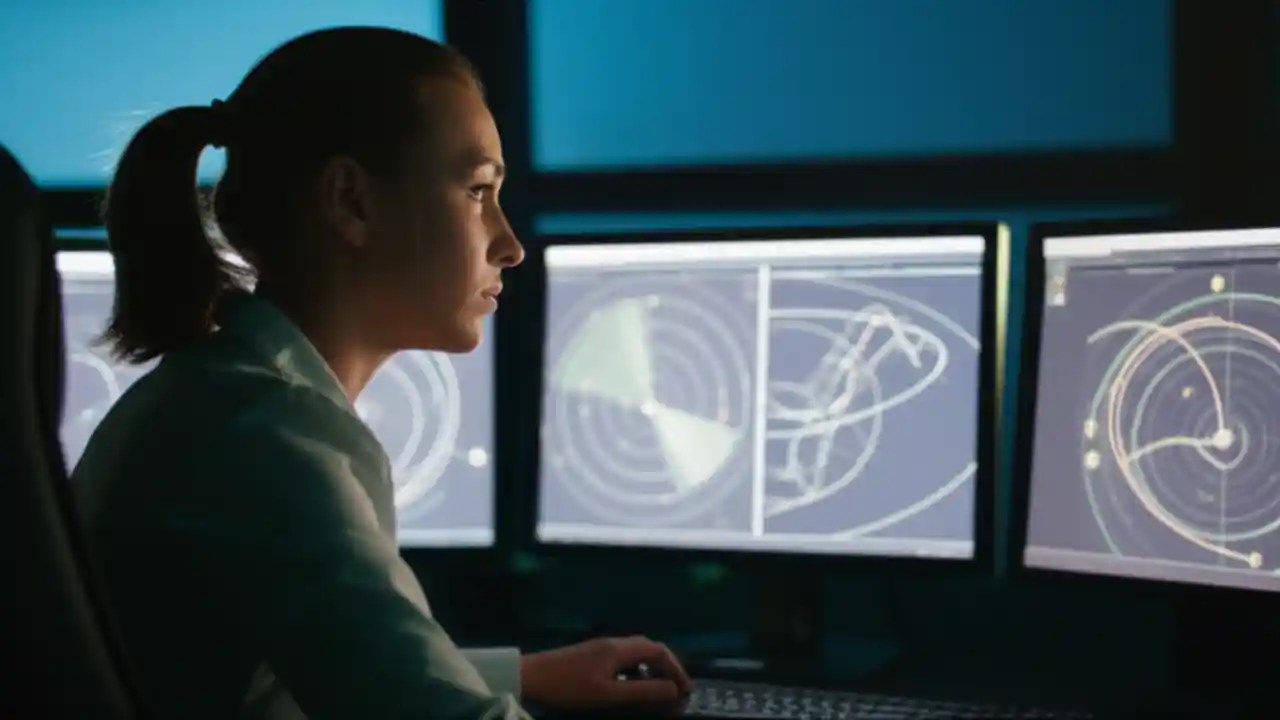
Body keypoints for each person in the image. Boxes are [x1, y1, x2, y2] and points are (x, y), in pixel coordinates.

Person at [70, 26, 691, 719]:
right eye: (478, 191)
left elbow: (309, 663)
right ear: (351, 203)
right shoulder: (266, 438)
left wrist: (523, 674)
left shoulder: (226, 396)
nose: (510, 246)